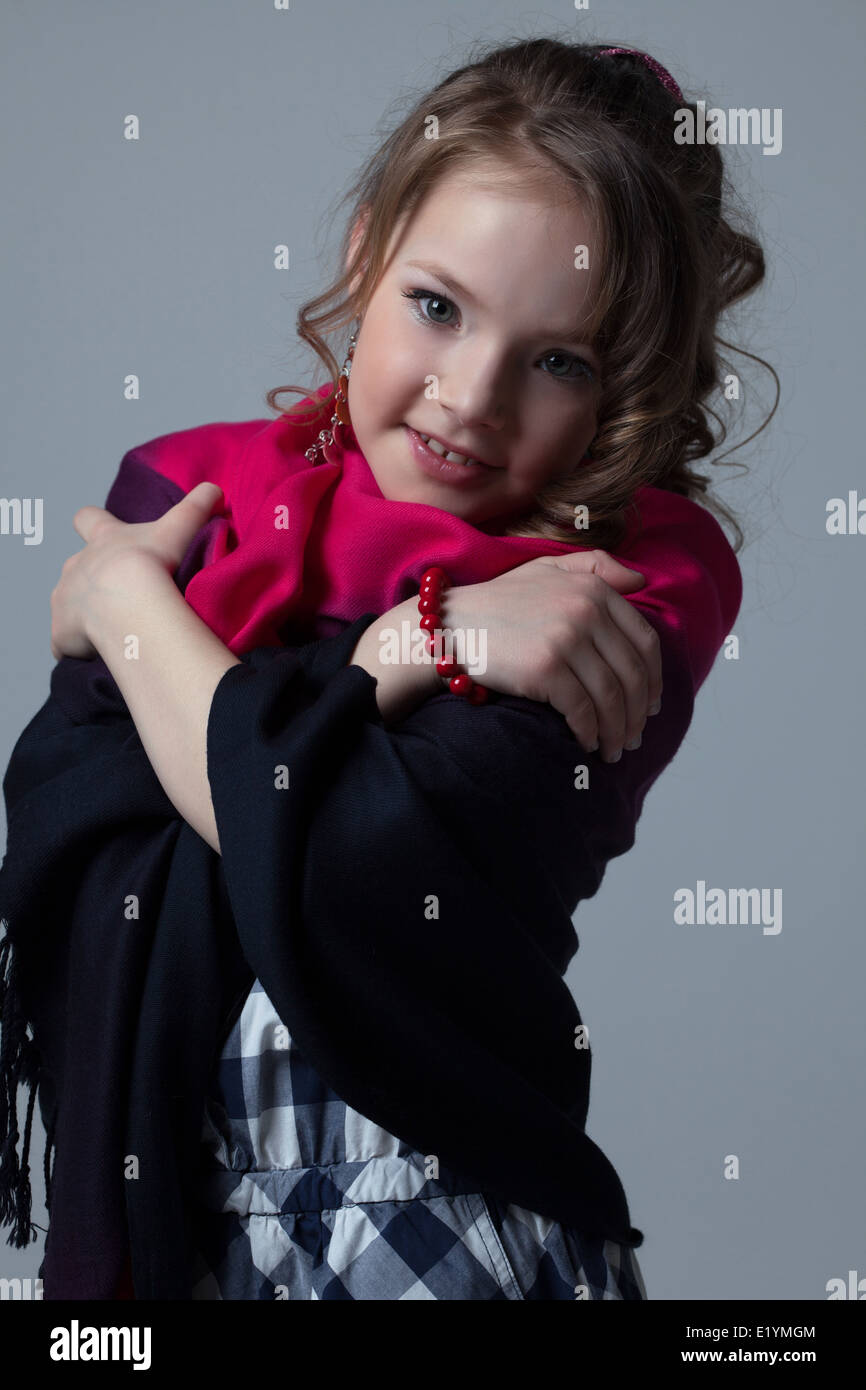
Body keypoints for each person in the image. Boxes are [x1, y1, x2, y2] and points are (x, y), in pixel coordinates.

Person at [0, 37, 775, 1300]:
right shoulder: (196, 495)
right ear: (366, 250)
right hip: (180, 1224)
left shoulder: (616, 586)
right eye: (436, 305)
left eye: (558, 360)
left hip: (427, 1219)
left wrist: (132, 609)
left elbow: (339, 870)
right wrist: (410, 653)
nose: (470, 396)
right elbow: (64, 798)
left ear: (621, 391)